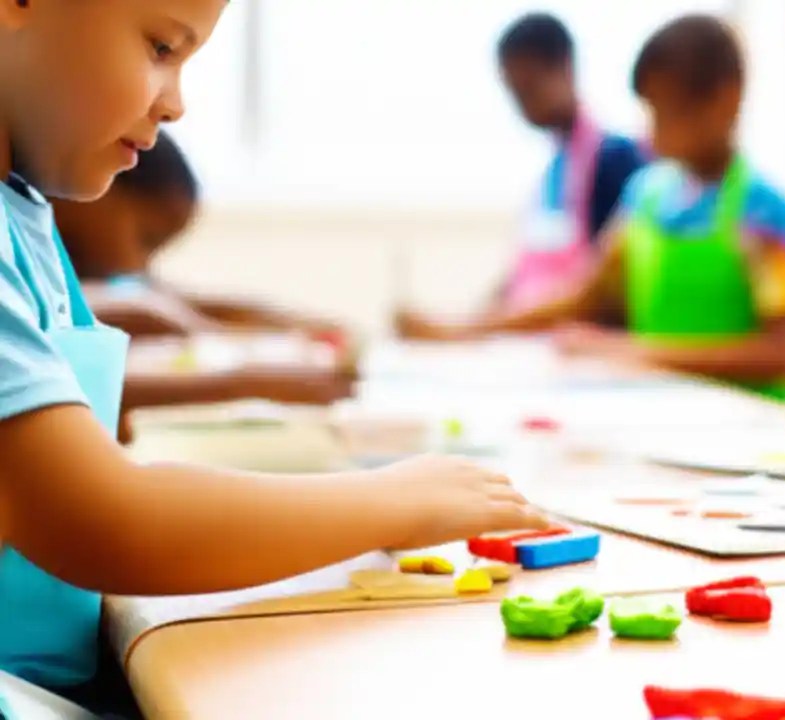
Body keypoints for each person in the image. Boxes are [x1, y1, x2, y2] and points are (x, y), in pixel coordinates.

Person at [0, 1, 546, 715]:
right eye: (162, 47)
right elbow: (102, 517)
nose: (177, 103)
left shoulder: (25, 219)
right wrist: (392, 500)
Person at [406, 15, 785, 400]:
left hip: (748, 420)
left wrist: (638, 351)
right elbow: (584, 294)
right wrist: (466, 329)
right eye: (650, 110)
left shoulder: (762, 213)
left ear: (725, 100)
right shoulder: (646, 197)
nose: (653, 131)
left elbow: (779, 354)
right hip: (667, 409)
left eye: (669, 111)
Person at [396, 12, 645, 330]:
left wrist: (466, 329)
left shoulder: (616, 161)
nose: (523, 106)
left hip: (579, 344)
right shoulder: (553, 172)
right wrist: (469, 319)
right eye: (513, 92)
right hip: (535, 340)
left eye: (529, 88)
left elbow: (597, 293)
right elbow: (524, 276)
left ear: (566, 68)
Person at [53, 130, 347, 338]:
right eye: (146, 239)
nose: (140, 266)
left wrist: (299, 324)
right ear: (106, 186)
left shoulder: (89, 270)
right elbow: (137, 309)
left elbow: (175, 297)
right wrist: (217, 338)